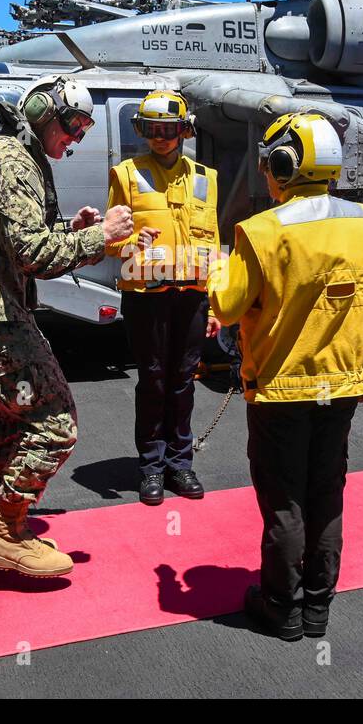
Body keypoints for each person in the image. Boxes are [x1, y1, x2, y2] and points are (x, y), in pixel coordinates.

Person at [209, 112, 363, 640]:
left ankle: (280, 606)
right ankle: (318, 605)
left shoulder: (261, 231)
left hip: (279, 391)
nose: (267, 174)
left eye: (270, 165)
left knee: (284, 501)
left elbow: (226, 307)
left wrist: (219, 264)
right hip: (343, 387)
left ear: (287, 166)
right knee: (326, 493)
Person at [0, 76, 133, 578]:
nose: (77, 139)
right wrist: (101, 239)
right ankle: (6, 531)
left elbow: (17, 234)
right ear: (44, 113)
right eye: (73, 127)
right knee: (53, 422)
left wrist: (75, 229)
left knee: (7, 425)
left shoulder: (10, 155)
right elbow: (33, 254)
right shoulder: (11, 160)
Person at [106, 90, 219, 505]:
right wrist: (134, 239)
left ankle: (180, 464)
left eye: (168, 130)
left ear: (183, 131)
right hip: (147, 297)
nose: (160, 137)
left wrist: (216, 304)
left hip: (192, 298)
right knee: (153, 379)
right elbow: (110, 242)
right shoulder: (126, 174)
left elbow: (215, 243)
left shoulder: (207, 178)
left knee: (183, 381)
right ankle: (151, 467)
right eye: (151, 129)